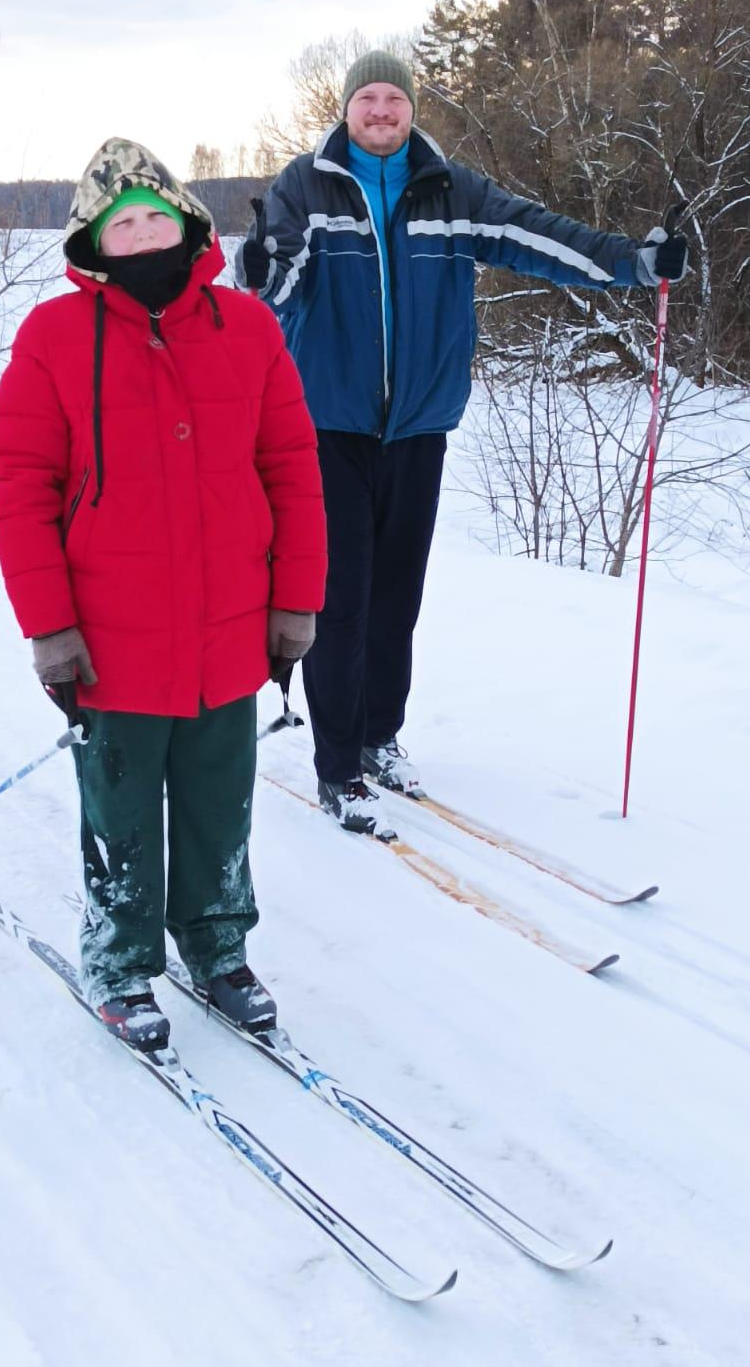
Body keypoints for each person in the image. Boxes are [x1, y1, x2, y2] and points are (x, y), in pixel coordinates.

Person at [237, 51, 689, 834]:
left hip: (419, 425)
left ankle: (380, 737)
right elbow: (273, 279)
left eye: (394, 98)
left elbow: (539, 238)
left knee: (396, 597)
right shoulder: (304, 185)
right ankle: (338, 766)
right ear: (348, 109)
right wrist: (259, 264)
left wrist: (633, 263)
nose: (381, 110)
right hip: (328, 426)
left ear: (412, 109)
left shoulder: (452, 188)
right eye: (368, 98)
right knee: (339, 602)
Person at [0, 138, 326, 1048]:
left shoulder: (247, 328)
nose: (141, 236)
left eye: (155, 218)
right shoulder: (53, 338)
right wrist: (49, 628)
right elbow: (20, 485)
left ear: (187, 222)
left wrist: (295, 601)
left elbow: (292, 468)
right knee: (122, 811)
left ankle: (218, 948)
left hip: (228, 629)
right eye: (119, 224)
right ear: (92, 242)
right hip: (110, 638)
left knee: (221, 801)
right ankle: (120, 961)